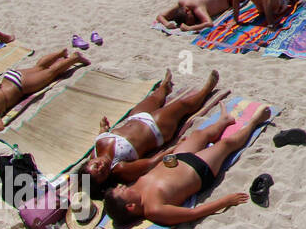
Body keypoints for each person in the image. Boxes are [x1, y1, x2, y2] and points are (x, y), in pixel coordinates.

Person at [102, 104, 271, 227]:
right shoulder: (154, 209)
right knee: (225, 145)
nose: (124, 186)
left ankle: (223, 121)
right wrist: (225, 201)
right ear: (131, 207)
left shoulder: (136, 190)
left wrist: (171, 151)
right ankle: (255, 122)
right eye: (123, 191)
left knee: (199, 134)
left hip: (175, 159)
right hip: (198, 169)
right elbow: (192, 213)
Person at [80, 70, 222, 187]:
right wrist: (174, 148)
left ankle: (164, 87)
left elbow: (101, 137)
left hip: (134, 118)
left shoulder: (95, 153)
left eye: (96, 167)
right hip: (157, 128)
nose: (102, 168)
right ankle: (206, 90)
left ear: (89, 163)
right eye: (103, 174)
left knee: (155, 97)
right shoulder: (119, 168)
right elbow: (150, 163)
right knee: (183, 105)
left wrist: (103, 129)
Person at [0, 49, 90, 132]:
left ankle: (74, 58)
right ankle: (60, 53)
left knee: (52, 72)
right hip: (9, 78)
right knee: (39, 68)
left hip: (20, 85)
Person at [157, 0, 243, 32]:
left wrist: (190, 28)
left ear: (187, 11)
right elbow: (160, 16)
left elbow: (209, 23)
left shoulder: (196, 6)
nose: (194, 20)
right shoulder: (181, 3)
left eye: (192, 19)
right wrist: (167, 24)